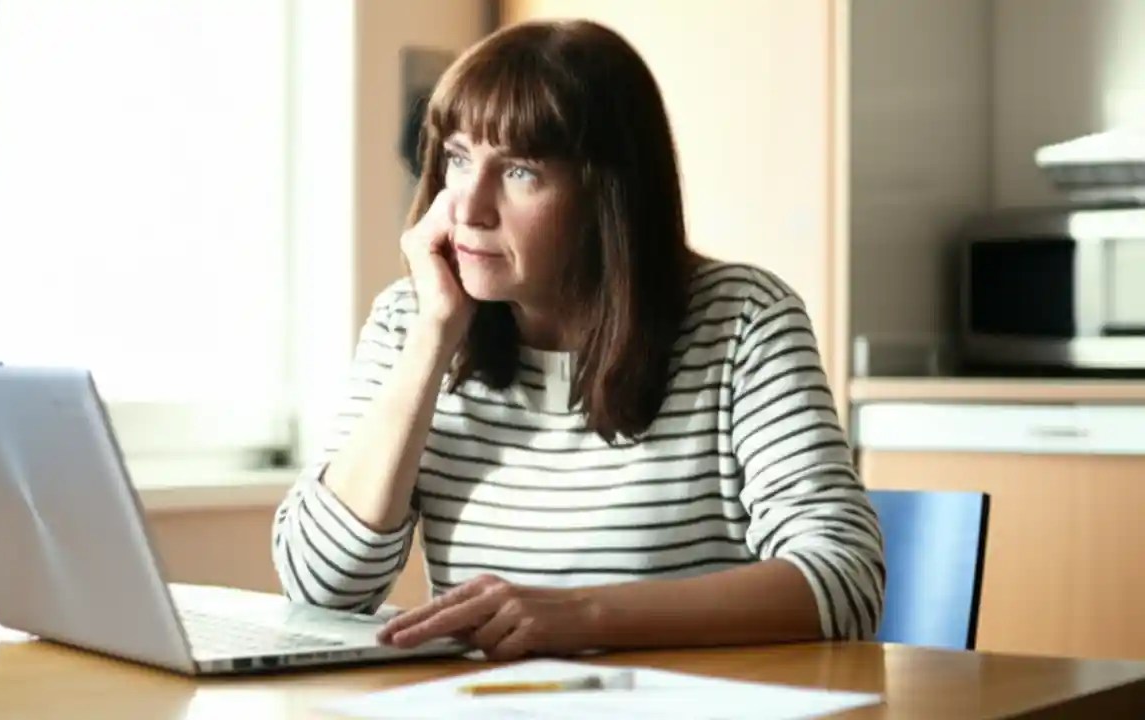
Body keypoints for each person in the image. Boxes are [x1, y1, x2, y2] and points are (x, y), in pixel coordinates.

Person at [272, 19, 884, 661]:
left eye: (520, 173)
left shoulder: (744, 320)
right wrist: (431, 338)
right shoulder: (413, 318)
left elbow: (842, 580)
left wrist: (585, 615)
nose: (470, 207)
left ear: (607, 193)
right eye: (458, 159)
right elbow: (321, 589)